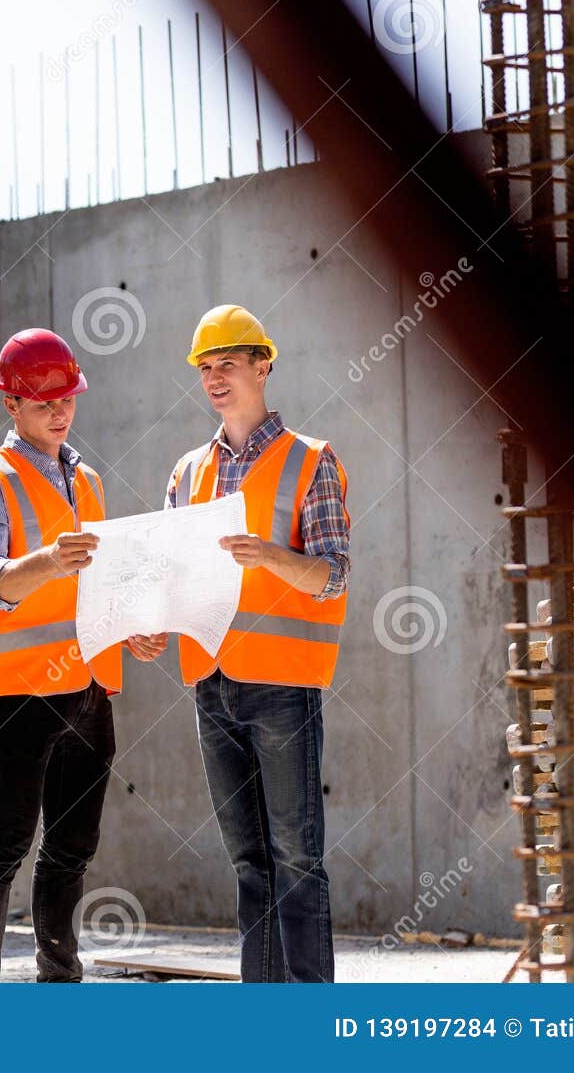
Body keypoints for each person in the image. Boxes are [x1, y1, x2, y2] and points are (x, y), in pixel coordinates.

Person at [0, 328, 165, 982]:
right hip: (19, 695)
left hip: (89, 691)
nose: (60, 411)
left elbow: (103, 586)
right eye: (44, 402)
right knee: (5, 843)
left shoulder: (87, 479)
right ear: (11, 404)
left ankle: (59, 974)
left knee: (72, 847)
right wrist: (43, 561)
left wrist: (133, 631)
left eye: (67, 398)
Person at [162, 304, 351, 983]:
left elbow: (332, 573)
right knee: (250, 864)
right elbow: (169, 573)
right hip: (209, 682)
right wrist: (154, 620)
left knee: (297, 858)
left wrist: (270, 555)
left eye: (229, 364)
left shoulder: (310, 460)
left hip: (281, 683)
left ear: (263, 365)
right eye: (205, 368)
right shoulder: (187, 473)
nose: (215, 378)